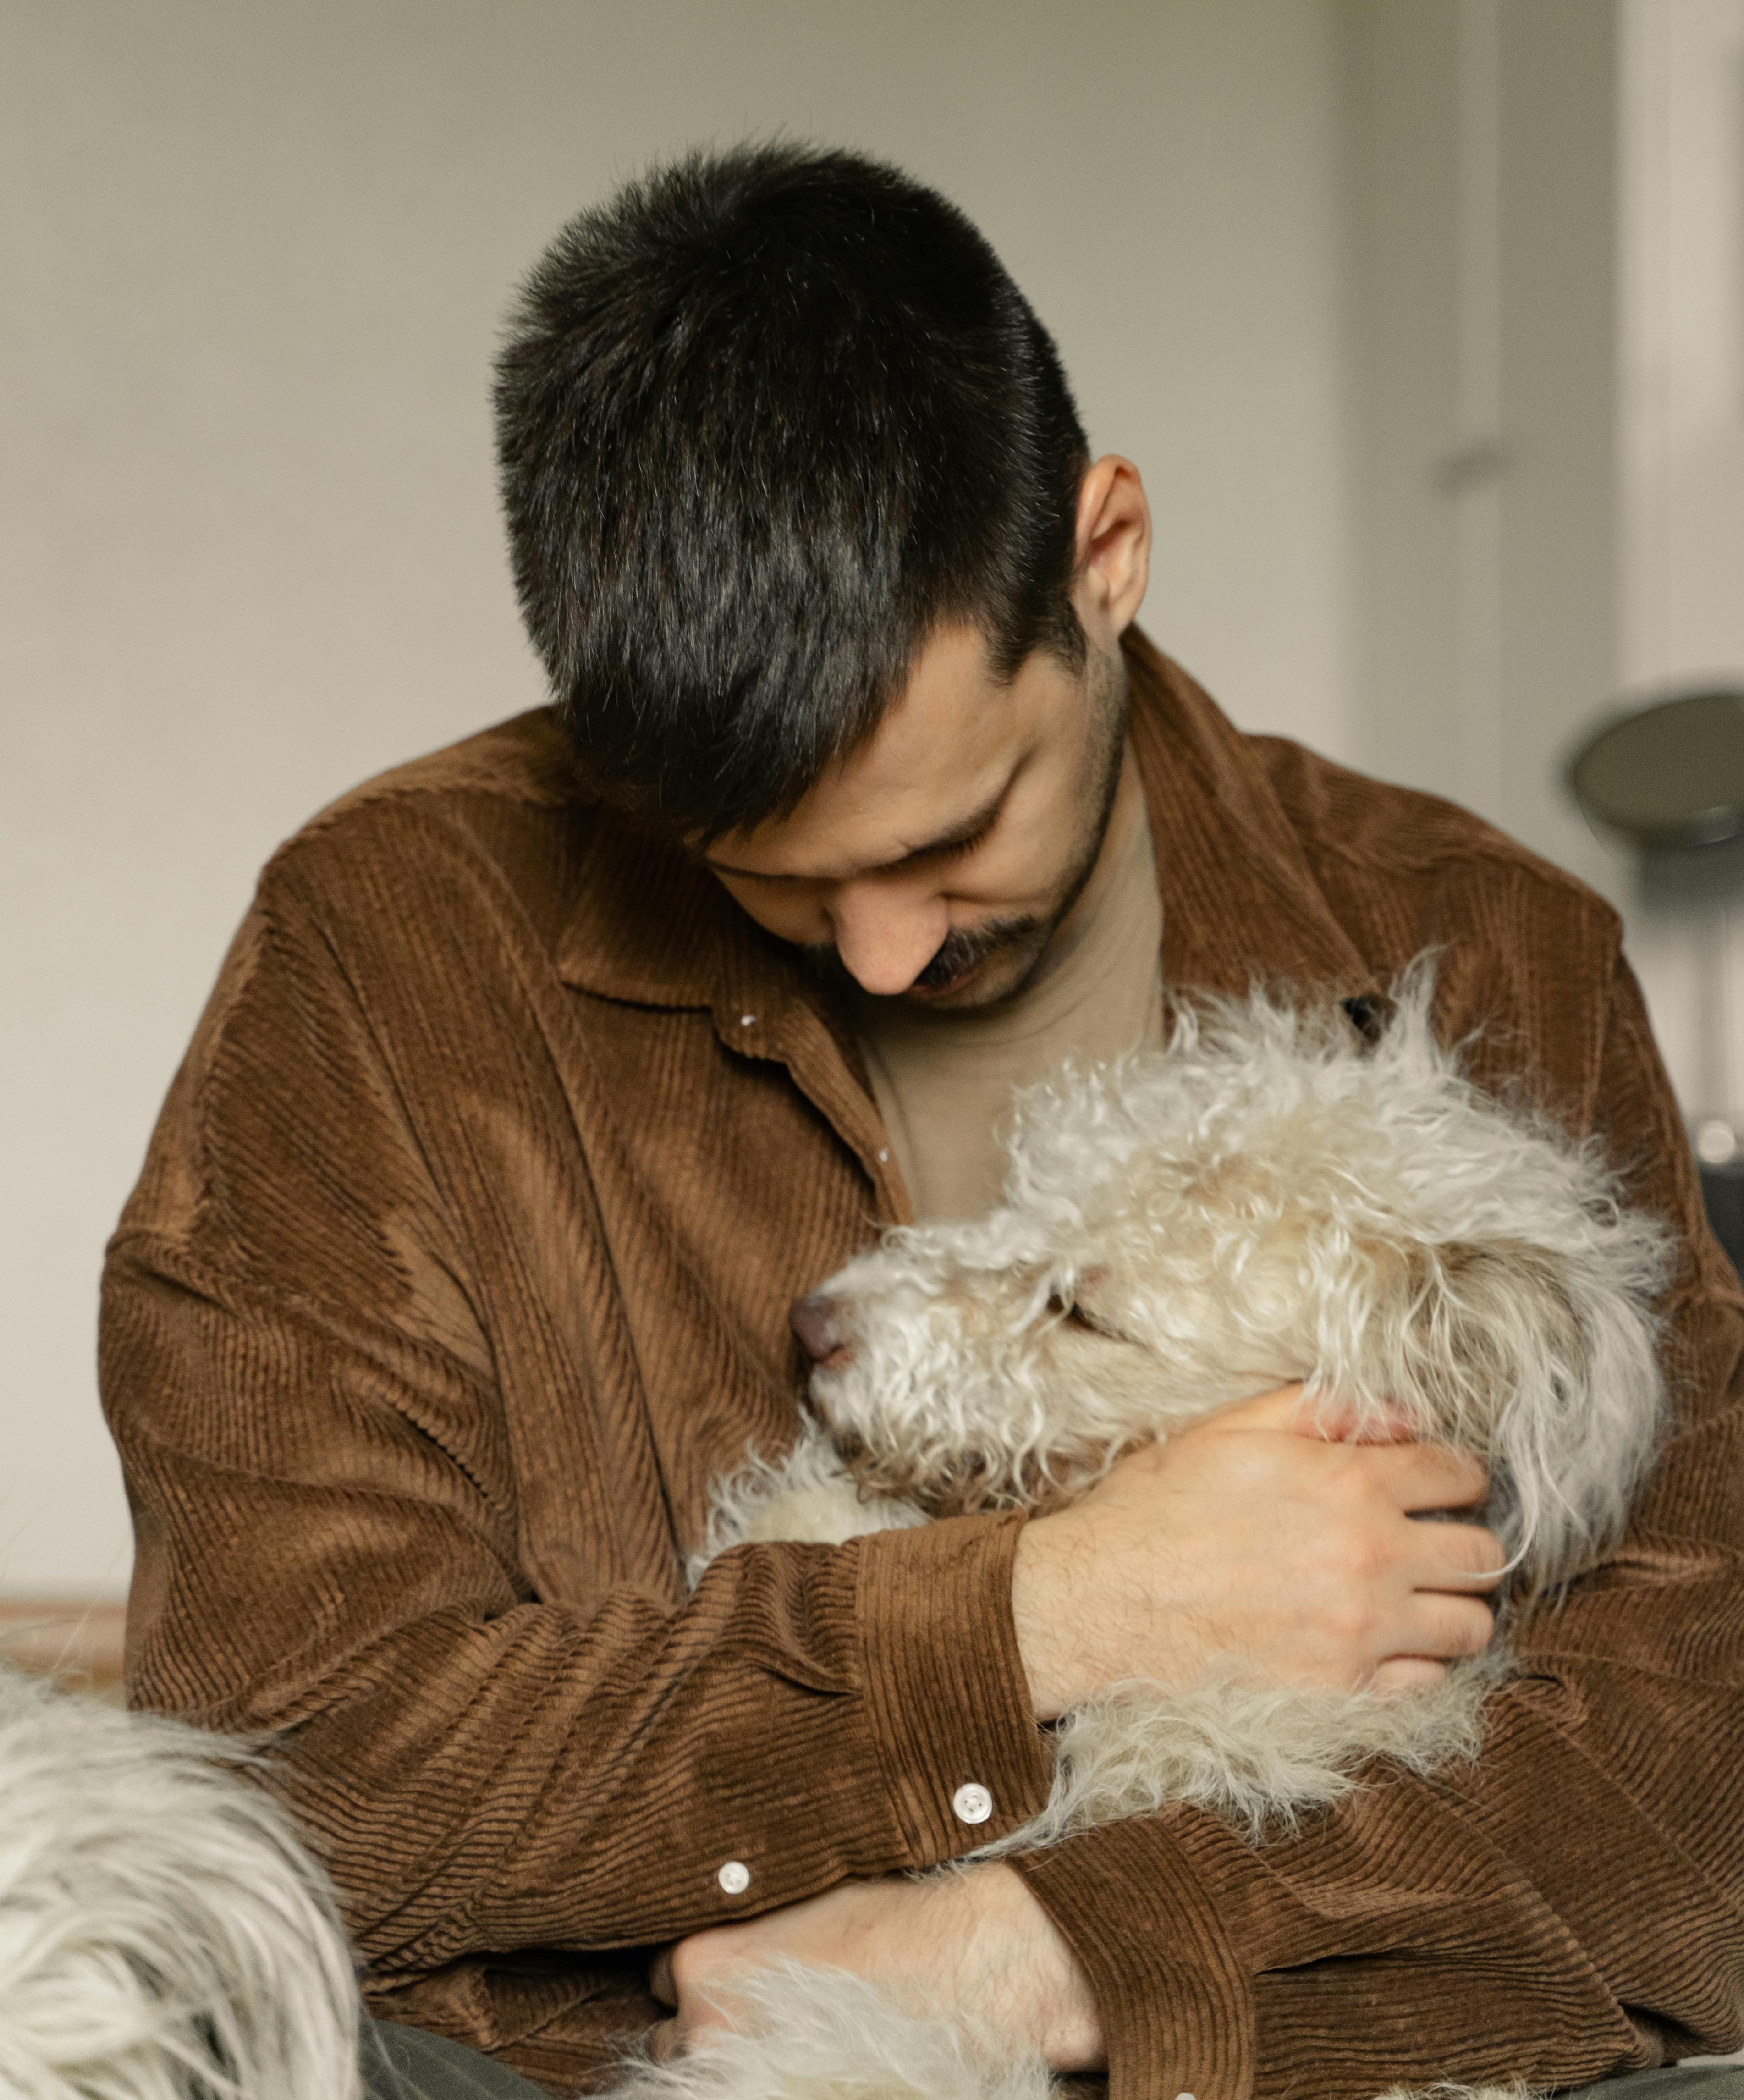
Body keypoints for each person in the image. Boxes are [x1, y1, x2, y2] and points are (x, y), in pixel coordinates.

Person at [100, 142, 1744, 2099]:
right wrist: (1049, 1613)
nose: (879, 954)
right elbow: (299, 1770)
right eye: (767, 875)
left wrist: (1053, 1950)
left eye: (953, 832)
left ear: (1102, 553)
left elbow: (1691, 1754)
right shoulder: (384, 950)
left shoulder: (1481, 944)